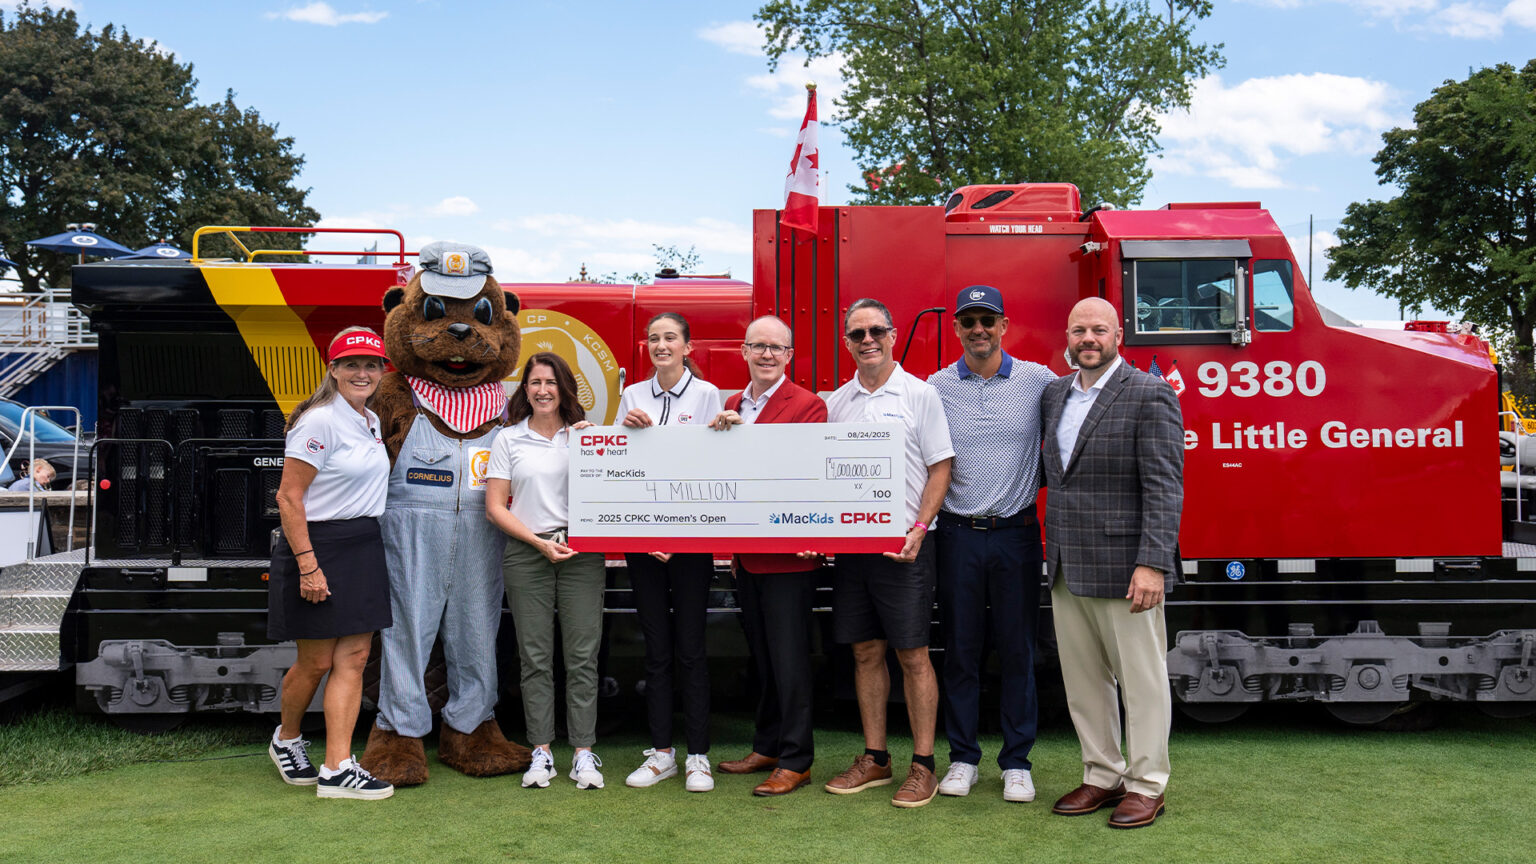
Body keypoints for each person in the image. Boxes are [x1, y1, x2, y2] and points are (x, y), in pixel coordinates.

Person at [1041, 297, 1184, 829]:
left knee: (1142, 681)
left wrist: (1153, 563)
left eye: (1098, 329)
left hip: (1128, 568)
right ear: (1068, 335)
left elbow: (1165, 486)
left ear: (1118, 334)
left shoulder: (1150, 393)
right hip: (1065, 563)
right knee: (1083, 682)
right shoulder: (1055, 394)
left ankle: (1147, 785)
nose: (1088, 339)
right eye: (1079, 329)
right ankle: (1101, 775)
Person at [927, 285, 1055, 803]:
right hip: (957, 535)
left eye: (988, 320)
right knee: (960, 649)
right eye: (969, 321)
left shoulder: (1038, 381)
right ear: (956, 328)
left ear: (1005, 325)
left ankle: (1016, 762)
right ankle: (963, 759)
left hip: (1017, 536)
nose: (978, 329)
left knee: (1018, 649)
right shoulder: (935, 387)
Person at [824, 298, 954, 808]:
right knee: (864, 651)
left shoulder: (921, 395)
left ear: (894, 334)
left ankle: (924, 766)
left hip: (907, 547)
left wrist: (920, 528)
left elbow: (941, 468)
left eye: (876, 329)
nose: (868, 339)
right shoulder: (836, 402)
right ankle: (876, 758)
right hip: (854, 550)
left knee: (913, 655)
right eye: (857, 333)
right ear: (847, 343)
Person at [268, 327, 394, 800]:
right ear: (333, 369)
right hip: (318, 544)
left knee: (356, 657)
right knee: (316, 660)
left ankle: (338, 768)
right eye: (352, 364)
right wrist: (308, 565)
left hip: (362, 541)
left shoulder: (371, 420)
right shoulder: (318, 421)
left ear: (382, 372)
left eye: (372, 364)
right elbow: (288, 496)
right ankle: (287, 739)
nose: (363, 372)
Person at [709, 315, 828, 796]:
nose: (766, 355)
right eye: (758, 346)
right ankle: (769, 745)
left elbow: (804, 469)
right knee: (764, 658)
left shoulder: (808, 405)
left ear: (790, 356)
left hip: (789, 557)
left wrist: (744, 437)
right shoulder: (732, 403)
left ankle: (798, 759)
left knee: (791, 660)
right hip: (748, 556)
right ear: (743, 351)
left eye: (776, 348)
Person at [485, 352, 608, 790]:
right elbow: (495, 506)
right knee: (534, 657)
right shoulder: (508, 440)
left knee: (581, 658)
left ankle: (583, 753)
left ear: (564, 388)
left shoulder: (586, 437)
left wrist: (599, 447)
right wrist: (538, 543)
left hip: (582, 554)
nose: (542, 390)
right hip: (526, 552)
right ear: (525, 389)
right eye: (534, 382)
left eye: (551, 382)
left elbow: (615, 489)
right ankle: (540, 751)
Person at [617, 312, 724, 792]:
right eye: (654, 339)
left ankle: (697, 755)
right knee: (656, 650)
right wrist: (627, 430)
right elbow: (625, 465)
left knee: (691, 649)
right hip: (643, 542)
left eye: (670, 339)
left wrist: (678, 535)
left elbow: (708, 468)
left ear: (688, 347)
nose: (661, 346)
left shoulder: (706, 395)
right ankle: (662, 753)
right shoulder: (632, 395)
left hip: (691, 543)